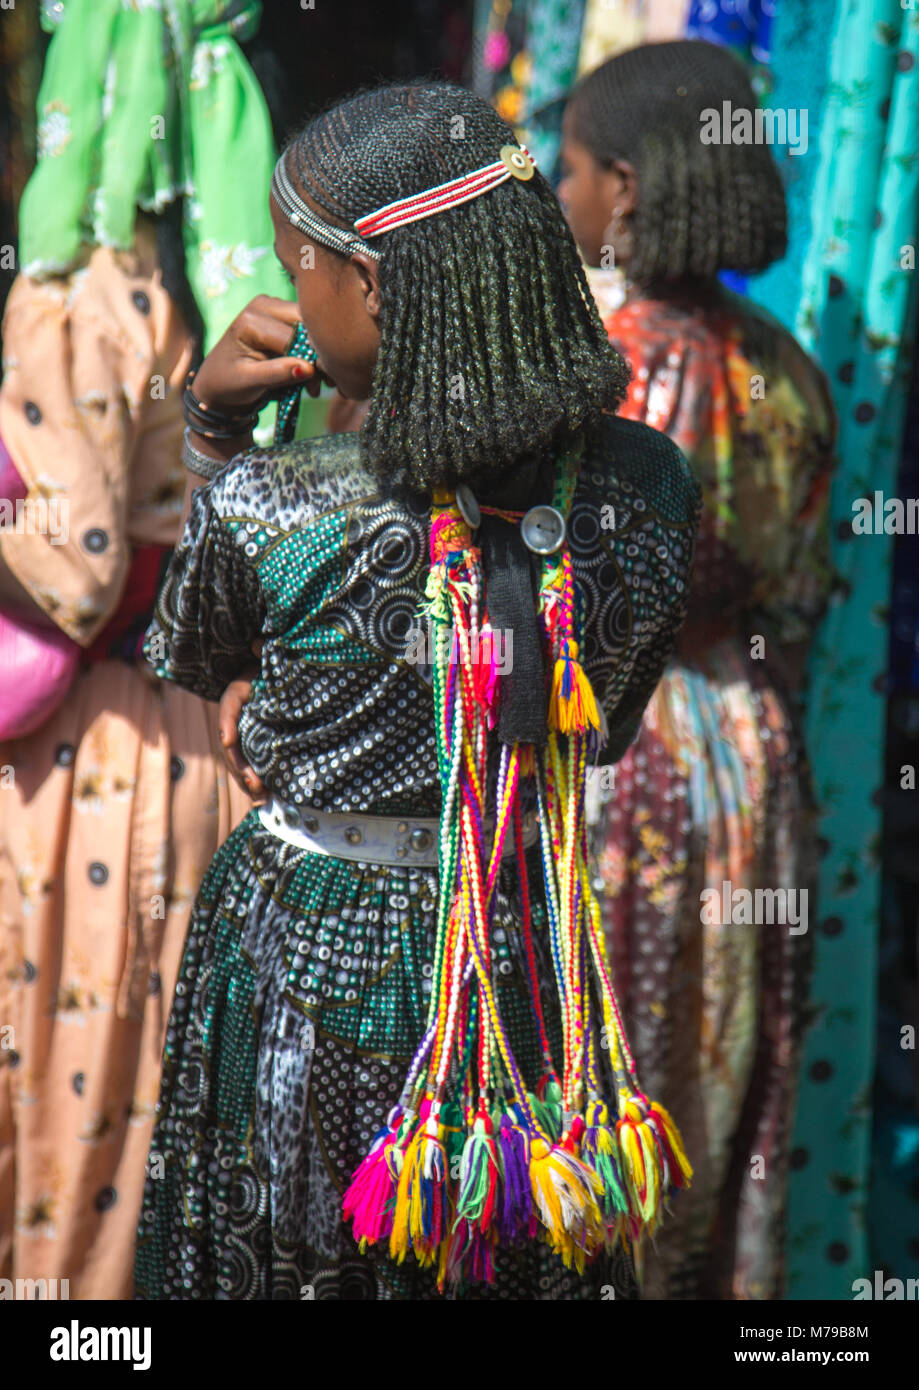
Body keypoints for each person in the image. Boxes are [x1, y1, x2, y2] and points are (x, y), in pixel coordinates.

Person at [132, 80, 702, 1301]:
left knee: (287, 1248)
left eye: (302, 265)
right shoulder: (653, 489)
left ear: (375, 287)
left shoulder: (275, 501)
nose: (287, 295)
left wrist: (211, 434)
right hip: (514, 948)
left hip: (306, 948)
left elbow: (189, 651)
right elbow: (597, 736)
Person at [0, 0, 290, 1298]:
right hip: (184, 745)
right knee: (144, 1104)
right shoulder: (197, 300)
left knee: (70, 1118)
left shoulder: (71, 306)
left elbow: (72, 570)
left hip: (86, 769)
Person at [558, 39, 837, 1299]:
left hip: (622, 761)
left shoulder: (593, 369)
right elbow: (804, 599)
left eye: (564, 169)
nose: (553, 195)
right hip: (750, 766)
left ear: (621, 185)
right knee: (713, 1099)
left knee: (598, 1100)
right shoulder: (787, 371)